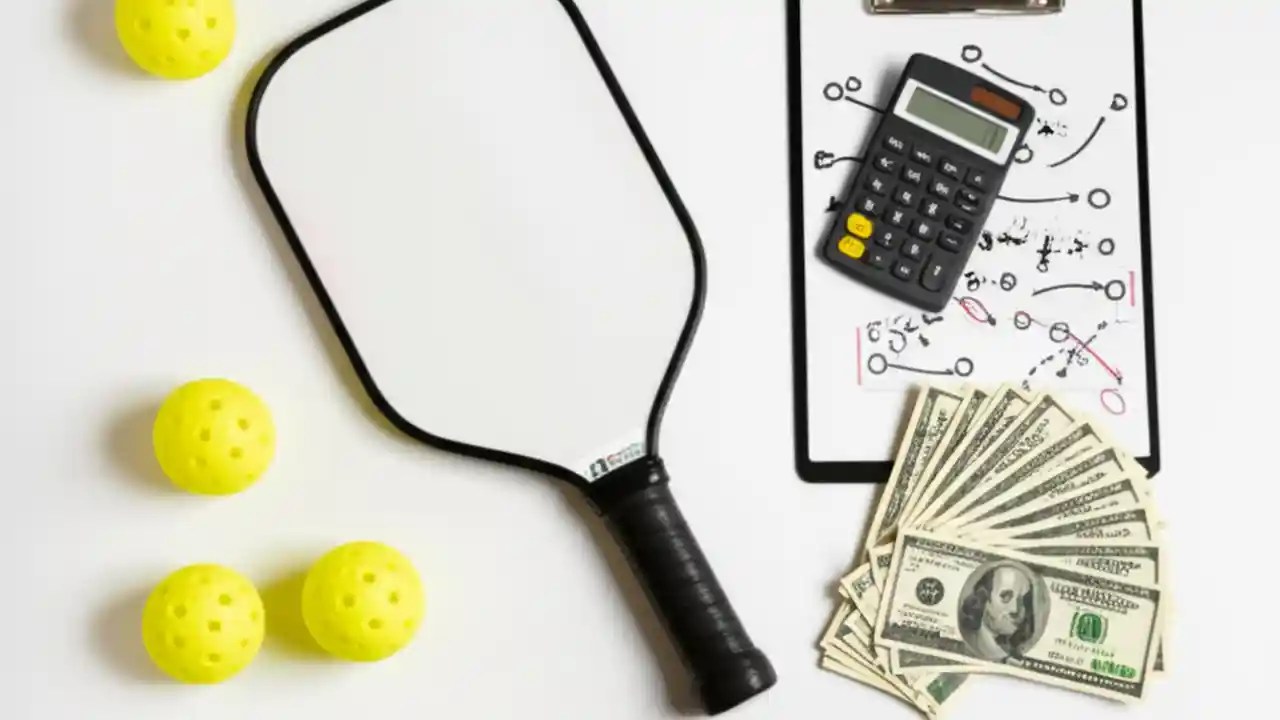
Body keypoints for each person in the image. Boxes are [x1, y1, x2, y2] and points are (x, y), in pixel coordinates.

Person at [958, 563, 1038, 662]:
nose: (1015, 610)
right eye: (1005, 597)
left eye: (1021, 601)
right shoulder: (976, 645)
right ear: (984, 599)